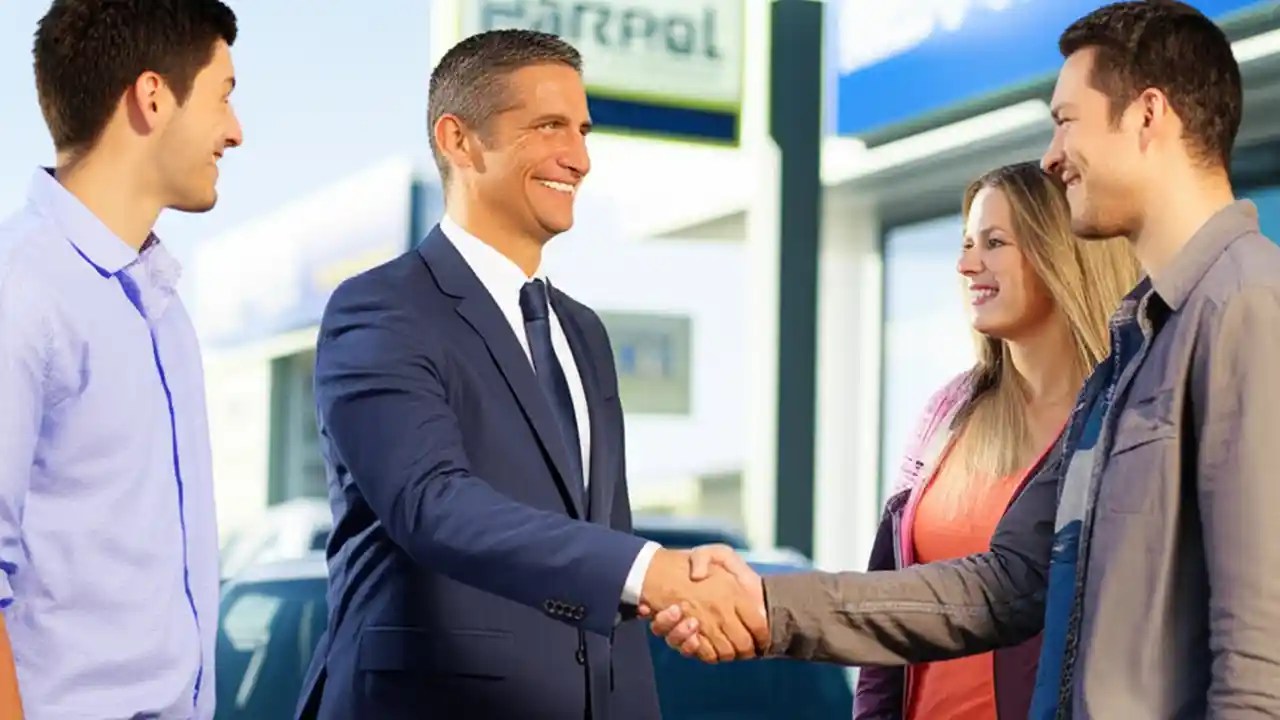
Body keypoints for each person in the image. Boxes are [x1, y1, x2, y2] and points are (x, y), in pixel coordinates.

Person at [652, 2, 1280, 717]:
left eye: (1066, 120)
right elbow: (1005, 584)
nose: (1051, 156)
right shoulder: (1131, 354)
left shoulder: (1248, 307)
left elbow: (1261, 649)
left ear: (1147, 116)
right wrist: (767, 604)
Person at [297, 29, 766, 720]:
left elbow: (599, 538)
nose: (577, 158)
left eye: (582, 130)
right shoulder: (379, 310)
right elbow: (434, 504)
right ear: (459, 141)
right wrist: (653, 570)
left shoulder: (583, 333)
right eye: (548, 127)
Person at [0, 1, 242, 718]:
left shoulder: (162, 311)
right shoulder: (24, 292)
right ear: (153, 97)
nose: (235, 130)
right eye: (224, 95)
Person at [853, 162, 1137, 720]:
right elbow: (887, 611)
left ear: (1061, 253)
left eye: (994, 242)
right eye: (965, 244)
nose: (965, 265)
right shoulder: (946, 413)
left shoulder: (1123, 417)